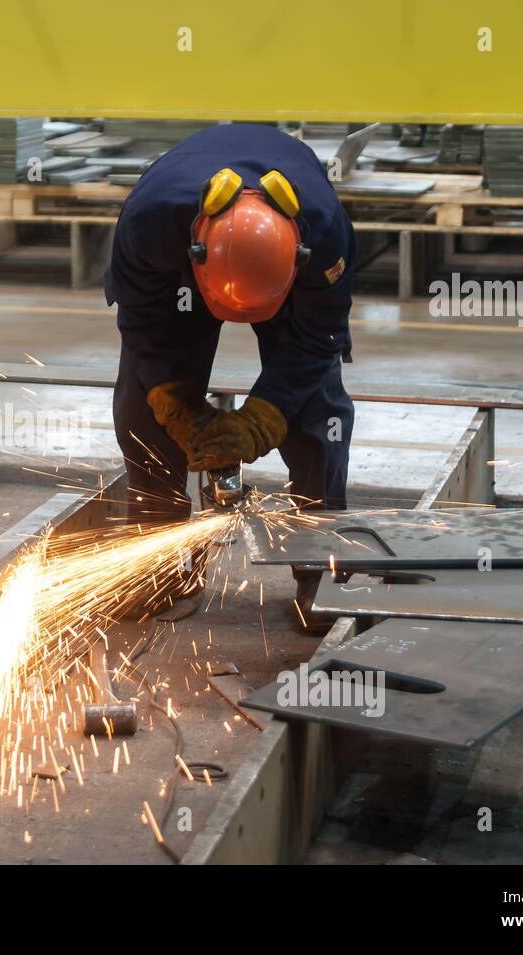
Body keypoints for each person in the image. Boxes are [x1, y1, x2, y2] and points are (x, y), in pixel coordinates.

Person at [105, 124, 356, 627]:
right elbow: (143, 323)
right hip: (183, 277)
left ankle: (321, 572)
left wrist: (265, 417)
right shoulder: (148, 227)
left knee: (318, 414)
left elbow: (317, 339)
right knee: (143, 409)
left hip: (282, 281)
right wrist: (172, 399)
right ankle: (153, 566)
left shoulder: (324, 237)